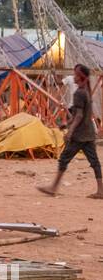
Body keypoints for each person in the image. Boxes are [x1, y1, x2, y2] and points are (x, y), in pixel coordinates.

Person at [39, 63, 103, 200]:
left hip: (79, 136)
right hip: (88, 134)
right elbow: (79, 115)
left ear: (81, 77)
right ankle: (100, 190)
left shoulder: (79, 93)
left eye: (75, 74)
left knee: (64, 159)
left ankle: (53, 188)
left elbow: (79, 116)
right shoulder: (86, 91)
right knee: (95, 162)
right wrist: (66, 124)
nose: (73, 76)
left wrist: (70, 131)